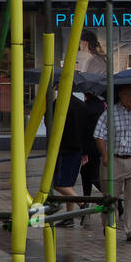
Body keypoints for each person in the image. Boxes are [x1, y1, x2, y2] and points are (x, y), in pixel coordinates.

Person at [93, 85, 131, 242]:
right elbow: (98, 136)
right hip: (114, 159)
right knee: (110, 196)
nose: (130, 97)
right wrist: (105, 156)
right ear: (120, 95)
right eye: (127, 94)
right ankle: (109, 225)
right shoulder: (109, 114)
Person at [52, 92, 92, 226]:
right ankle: (69, 218)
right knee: (68, 184)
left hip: (63, 148)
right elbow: (87, 131)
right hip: (78, 149)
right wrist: (85, 151)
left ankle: (82, 205)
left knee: (58, 183)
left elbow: (49, 124)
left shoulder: (57, 104)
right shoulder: (82, 106)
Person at [78, 92, 104, 219]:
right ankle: (86, 202)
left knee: (91, 176)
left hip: (89, 147)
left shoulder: (87, 107)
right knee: (87, 174)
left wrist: (84, 151)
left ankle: (112, 199)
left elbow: (85, 129)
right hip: (98, 144)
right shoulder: (101, 105)